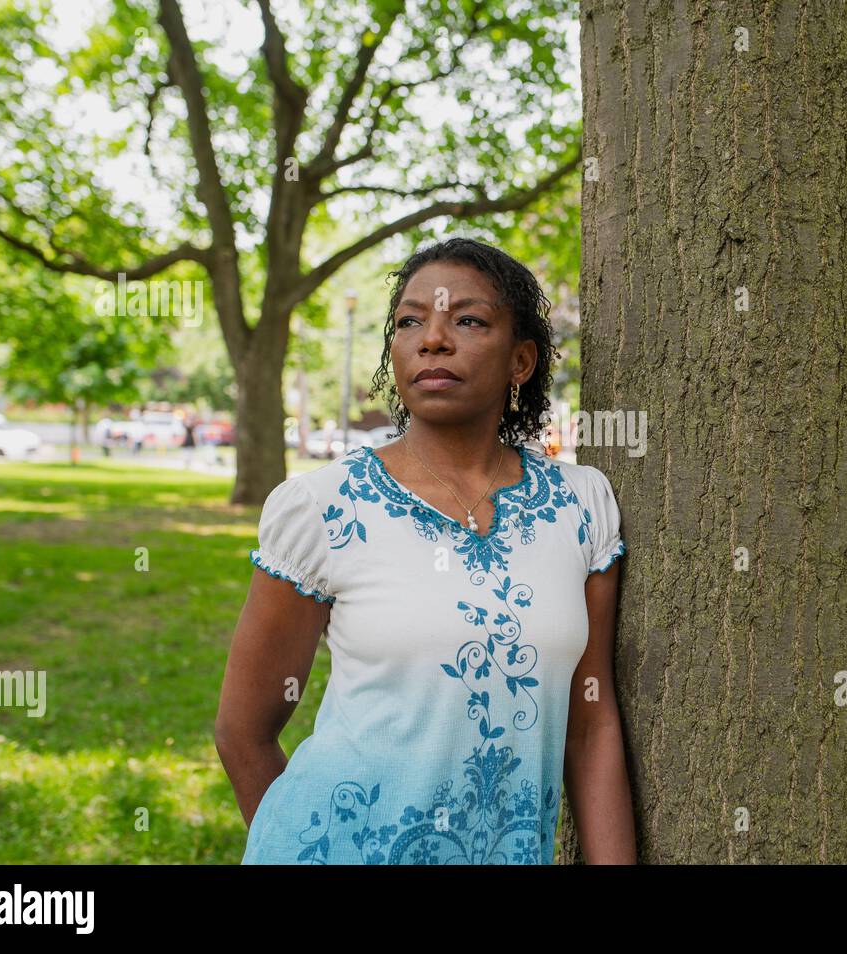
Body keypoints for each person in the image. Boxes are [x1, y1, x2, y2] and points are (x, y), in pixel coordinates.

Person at [217, 237, 635, 865]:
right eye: (411, 321)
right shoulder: (323, 507)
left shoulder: (582, 507)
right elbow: (243, 732)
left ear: (521, 361)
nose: (432, 339)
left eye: (467, 320)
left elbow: (591, 725)